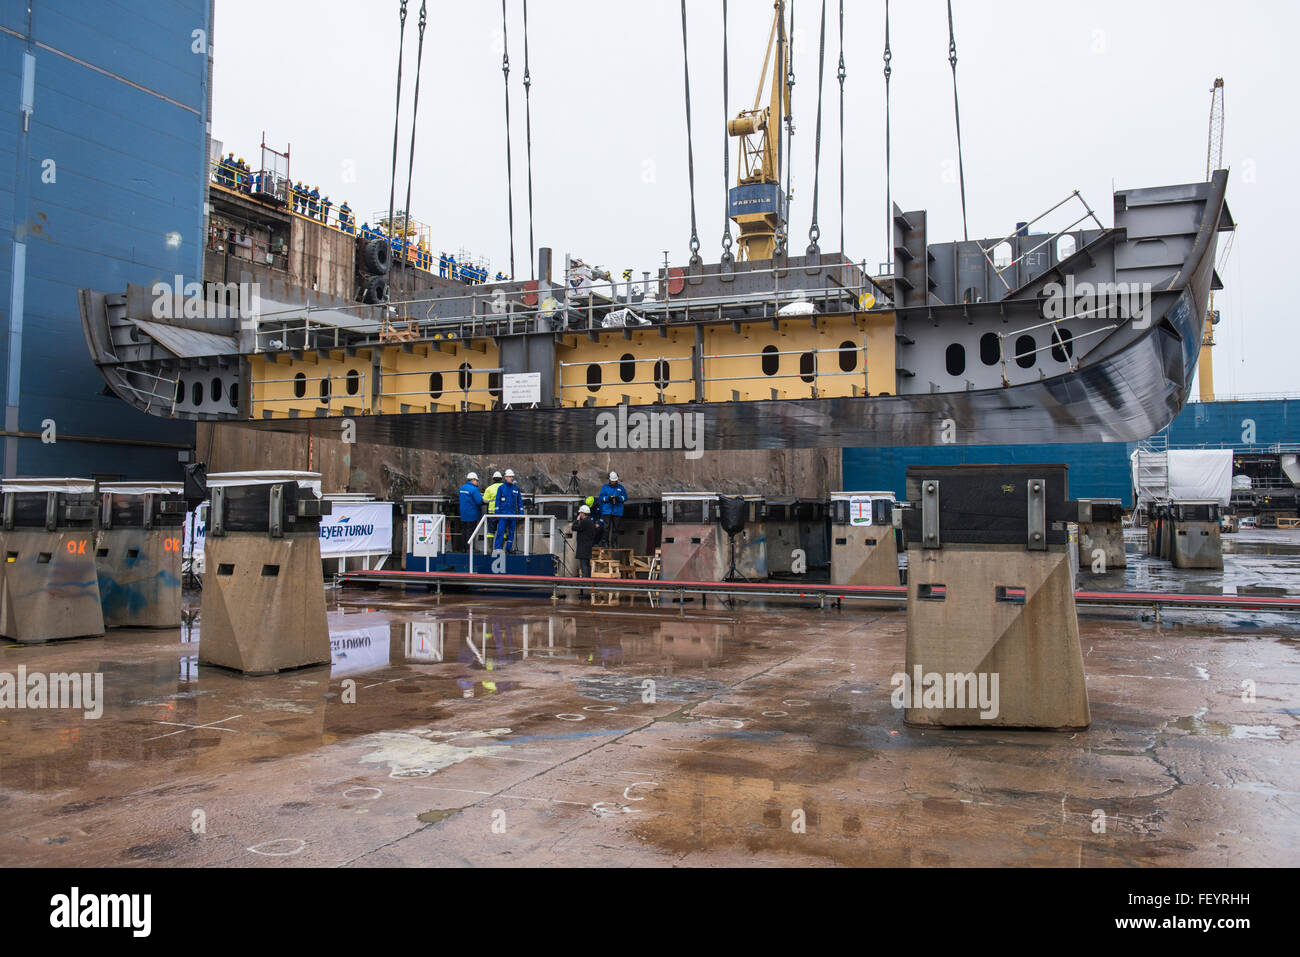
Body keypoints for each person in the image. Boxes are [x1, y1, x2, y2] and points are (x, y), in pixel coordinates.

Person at [571, 504, 600, 597]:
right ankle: (587, 588)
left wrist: (577, 520)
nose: (579, 514)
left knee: (584, 568)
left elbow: (574, 527)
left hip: (583, 547)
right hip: (588, 547)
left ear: (583, 513)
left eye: (580, 513)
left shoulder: (584, 522)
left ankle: (585, 589)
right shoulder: (591, 521)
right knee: (587, 566)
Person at [495, 468, 523, 552]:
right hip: (503, 514)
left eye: (512, 477)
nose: (512, 478)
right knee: (500, 531)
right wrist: (497, 513)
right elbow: (497, 501)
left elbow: (520, 502)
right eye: (510, 477)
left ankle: (509, 548)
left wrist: (521, 513)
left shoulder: (516, 489)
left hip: (512, 514)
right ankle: (497, 548)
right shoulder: (501, 488)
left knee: (511, 532)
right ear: (506, 477)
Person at [598, 471, 628, 548]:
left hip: (617, 511)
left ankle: (614, 543)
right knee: (606, 528)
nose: (613, 482)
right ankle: (605, 542)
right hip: (607, 510)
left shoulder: (621, 488)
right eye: (612, 481)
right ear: (609, 480)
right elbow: (601, 497)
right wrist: (608, 498)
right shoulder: (605, 487)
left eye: (614, 481)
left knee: (616, 528)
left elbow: (625, 497)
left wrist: (619, 498)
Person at [458, 471, 484, 548]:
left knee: (464, 531)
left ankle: (463, 548)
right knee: (471, 532)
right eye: (477, 480)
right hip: (472, 514)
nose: (477, 482)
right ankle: (470, 548)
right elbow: (479, 501)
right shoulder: (474, 489)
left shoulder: (461, 488)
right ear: (473, 480)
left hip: (463, 514)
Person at [483, 470, 504, 547]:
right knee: (503, 530)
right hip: (502, 513)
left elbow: (485, 500)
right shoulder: (504, 487)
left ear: (493, 479)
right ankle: (500, 547)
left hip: (492, 513)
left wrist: (491, 500)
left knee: (491, 531)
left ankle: (490, 548)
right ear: (501, 478)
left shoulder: (489, 488)